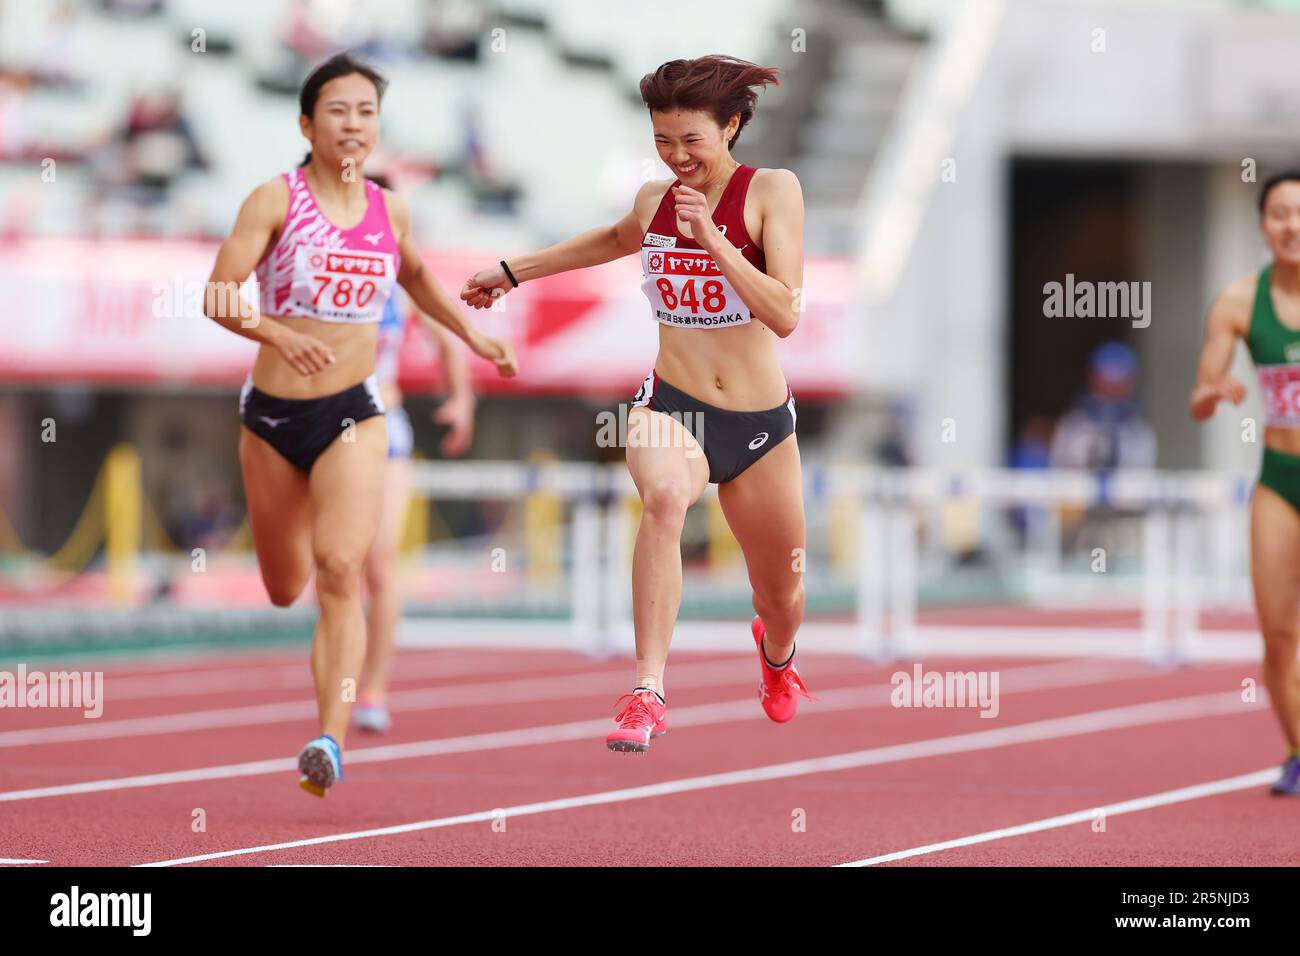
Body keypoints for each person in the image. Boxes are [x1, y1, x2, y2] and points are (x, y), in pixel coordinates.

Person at [462, 55, 813, 753]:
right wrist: (512, 272)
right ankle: (647, 690)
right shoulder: (654, 201)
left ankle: (777, 660)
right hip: (672, 404)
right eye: (662, 140)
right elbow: (612, 240)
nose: (676, 157)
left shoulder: (773, 191)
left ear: (733, 126)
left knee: (783, 600)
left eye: (692, 141)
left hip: (760, 426)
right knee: (661, 501)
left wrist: (713, 238)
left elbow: (785, 313)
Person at [202, 52, 515, 796]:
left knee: (344, 570)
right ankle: (328, 704)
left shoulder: (388, 209)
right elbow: (217, 295)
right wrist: (279, 335)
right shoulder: (272, 200)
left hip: (354, 412)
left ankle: (330, 739)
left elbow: (415, 280)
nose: (354, 123)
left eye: (367, 112)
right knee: (287, 587)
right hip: (273, 416)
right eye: (338, 110)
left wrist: (472, 339)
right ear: (307, 123)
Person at [1190, 168, 1300, 795]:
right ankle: (1297, 749)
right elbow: (1200, 399)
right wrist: (1212, 393)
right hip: (1280, 479)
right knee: (1279, 631)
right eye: (1280, 214)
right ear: (1263, 226)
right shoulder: (1237, 301)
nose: (1293, 226)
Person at [355, 198, 478, 732]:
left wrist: (460, 402)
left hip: (385, 428)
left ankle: (373, 689)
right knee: (334, 568)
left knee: (380, 564)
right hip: (323, 432)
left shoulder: (403, 283)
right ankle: (337, 675)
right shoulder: (317, 273)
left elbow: (447, 343)